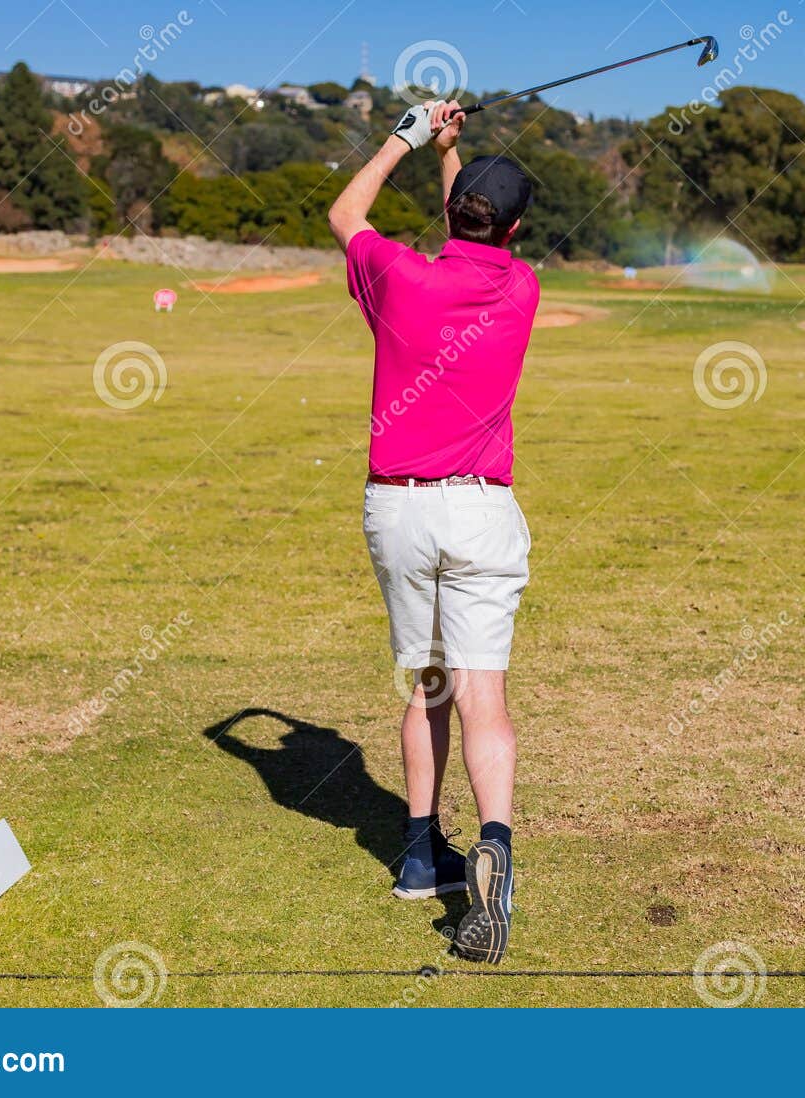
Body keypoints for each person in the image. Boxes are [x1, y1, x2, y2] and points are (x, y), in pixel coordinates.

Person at [328, 100, 537, 964]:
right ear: (516, 228)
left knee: (430, 685)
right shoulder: (519, 288)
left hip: (400, 508)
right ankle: (494, 841)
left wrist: (413, 138)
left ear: (451, 216)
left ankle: (420, 853)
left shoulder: (402, 277)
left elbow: (347, 215)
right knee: (483, 695)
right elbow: (479, 236)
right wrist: (458, 156)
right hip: (481, 507)